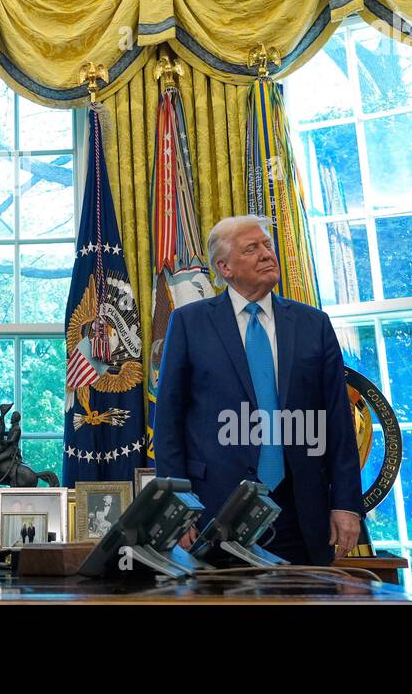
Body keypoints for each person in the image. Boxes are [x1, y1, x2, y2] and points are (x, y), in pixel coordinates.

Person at [154, 215, 362, 565]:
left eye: (267, 245)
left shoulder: (314, 324)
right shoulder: (190, 323)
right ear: (225, 267)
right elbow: (168, 422)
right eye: (252, 248)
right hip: (214, 509)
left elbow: (338, 423)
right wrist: (178, 507)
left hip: (302, 509)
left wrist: (346, 504)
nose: (267, 254)